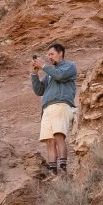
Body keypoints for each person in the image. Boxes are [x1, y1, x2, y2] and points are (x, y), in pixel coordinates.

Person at [30, 42, 78, 176]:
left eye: (52, 54)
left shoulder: (69, 66)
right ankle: (53, 171)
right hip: (47, 109)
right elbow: (39, 91)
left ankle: (63, 168)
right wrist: (34, 74)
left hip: (61, 105)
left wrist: (43, 66)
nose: (49, 57)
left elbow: (60, 76)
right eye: (48, 55)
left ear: (60, 53)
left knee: (58, 136)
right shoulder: (50, 73)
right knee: (49, 141)